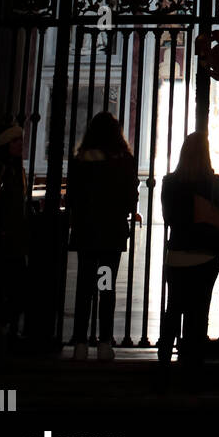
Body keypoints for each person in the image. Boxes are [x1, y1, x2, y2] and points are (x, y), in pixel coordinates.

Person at [158, 133, 219, 379]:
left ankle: (163, 367)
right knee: (199, 313)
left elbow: (169, 218)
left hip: (177, 255)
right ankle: (193, 370)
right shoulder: (214, 183)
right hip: (205, 256)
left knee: (173, 310)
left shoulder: (170, 182)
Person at [67, 112, 138, 361]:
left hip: (86, 236)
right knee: (105, 287)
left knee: (84, 288)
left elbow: (72, 198)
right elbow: (130, 198)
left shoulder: (80, 161)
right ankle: (105, 342)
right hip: (110, 237)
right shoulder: (123, 161)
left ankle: (80, 343)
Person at [0, 121, 28, 342]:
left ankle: (8, 325)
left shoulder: (17, 168)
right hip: (0, 232)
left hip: (14, 233)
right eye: (15, 140)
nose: (20, 144)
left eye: (20, 139)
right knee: (1, 280)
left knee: (16, 281)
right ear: (4, 144)